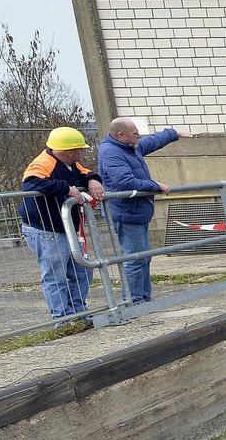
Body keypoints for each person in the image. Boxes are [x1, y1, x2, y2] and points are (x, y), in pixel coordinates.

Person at [99, 118, 190, 304]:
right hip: (126, 213)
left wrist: (174, 133)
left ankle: (144, 298)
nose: (138, 135)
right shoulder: (111, 153)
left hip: (138, 212)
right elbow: (124, 182)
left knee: (144, 257)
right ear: (121, 135)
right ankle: (133, 301)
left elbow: (151, 141)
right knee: (135, 259)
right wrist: (155, 185)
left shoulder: (130, 147)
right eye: (134, 133)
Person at [20, 126, 105, 319]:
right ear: (69, 151)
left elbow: (87, 173)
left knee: (82, 271)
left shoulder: (71, 164)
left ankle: (78, 311)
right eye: (80, 150)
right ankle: (63, 318)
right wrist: (66, 188)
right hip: (46, 229)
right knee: (55, 275)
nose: (82, 153)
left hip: (66, 228)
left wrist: (93, 180)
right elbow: (31, 184)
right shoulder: (44, 163)